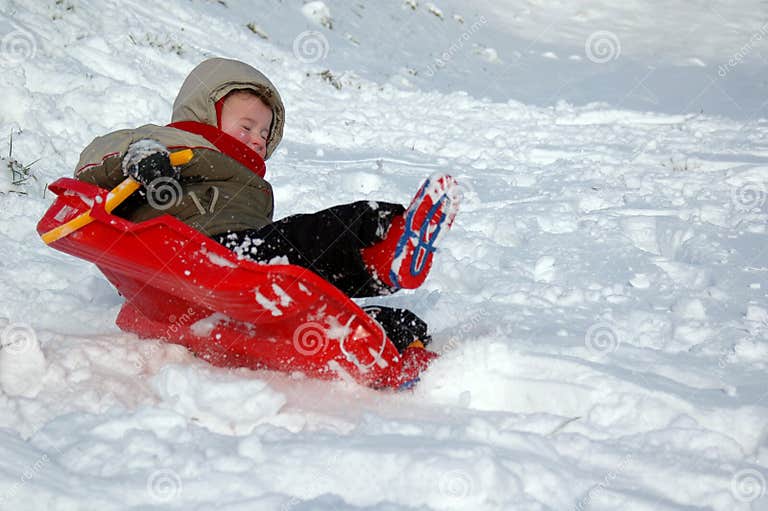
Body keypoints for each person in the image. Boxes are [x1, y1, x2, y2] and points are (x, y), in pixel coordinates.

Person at [74, 57, 459, 353]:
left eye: (264, 132)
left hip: (237, 271)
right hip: (203, 253)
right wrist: (141, 155)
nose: (258, 139)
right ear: (206, 115)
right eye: (246, 127)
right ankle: (383, 242)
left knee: (310, 285)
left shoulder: (250, 183)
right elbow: (97, 157)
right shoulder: (173, 141)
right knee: (307, 238)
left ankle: (388, 336)